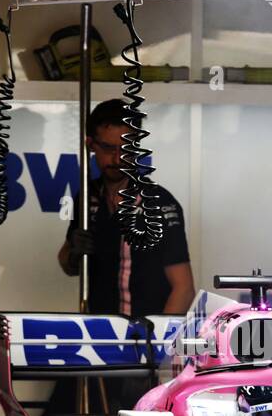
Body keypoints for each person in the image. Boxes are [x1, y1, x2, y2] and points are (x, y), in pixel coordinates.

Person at [56, 98, 195, 315]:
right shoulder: (86, 196)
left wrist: (159, 342)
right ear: (91, 145)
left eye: (126, 148)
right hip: (99, 334)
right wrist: (73, 252)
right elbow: (67, 265)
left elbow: (184, 288)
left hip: (144, 336)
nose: (118, 158)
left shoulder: (158, 202)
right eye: (109, 148)